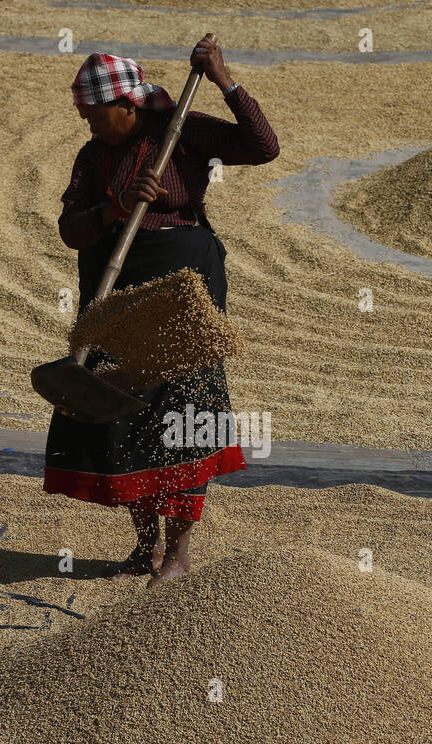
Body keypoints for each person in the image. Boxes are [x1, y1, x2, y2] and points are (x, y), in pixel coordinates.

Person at [44, 38, 280, 586]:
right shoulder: (92, 156)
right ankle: (144, 547)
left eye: (95, 115)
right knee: (121, 412)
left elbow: (263, 146)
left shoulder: (184, 131)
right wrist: (117, 206)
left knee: (182, 415)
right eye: (83, 116)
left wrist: (224, 78)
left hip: (179, 294)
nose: (88, 125)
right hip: (113, 295)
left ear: (127, 105)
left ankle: (178, 554)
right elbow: (70, 230)